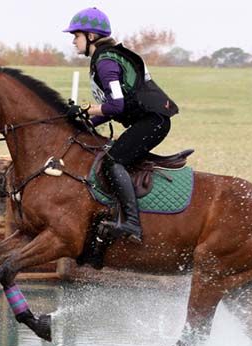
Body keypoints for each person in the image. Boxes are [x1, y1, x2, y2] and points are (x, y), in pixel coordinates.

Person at [63, 7, 179, 243]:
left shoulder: (106, 62)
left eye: (76, 36)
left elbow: (116, 106)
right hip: (150, 120)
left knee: (112, 162)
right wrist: (85, 123)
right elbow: (113, 108)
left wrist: (85, 109)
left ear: (91, 36)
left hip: (153, 122)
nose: (74, 41)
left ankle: (132, 224)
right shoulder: (104, 59)